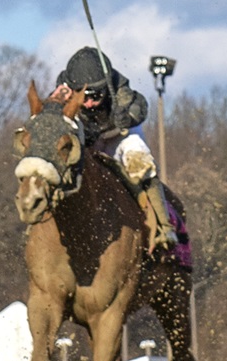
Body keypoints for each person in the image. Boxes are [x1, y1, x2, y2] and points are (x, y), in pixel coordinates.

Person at [54, 46, 178, 251]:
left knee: (140, 161)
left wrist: (127, 117)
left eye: (96, 96)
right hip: (86, 138)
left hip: (118, 135)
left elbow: (141, 106)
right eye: (84, 97)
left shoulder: (120, 87)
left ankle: (165, 227)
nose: (91, 103)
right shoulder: (64, 90)